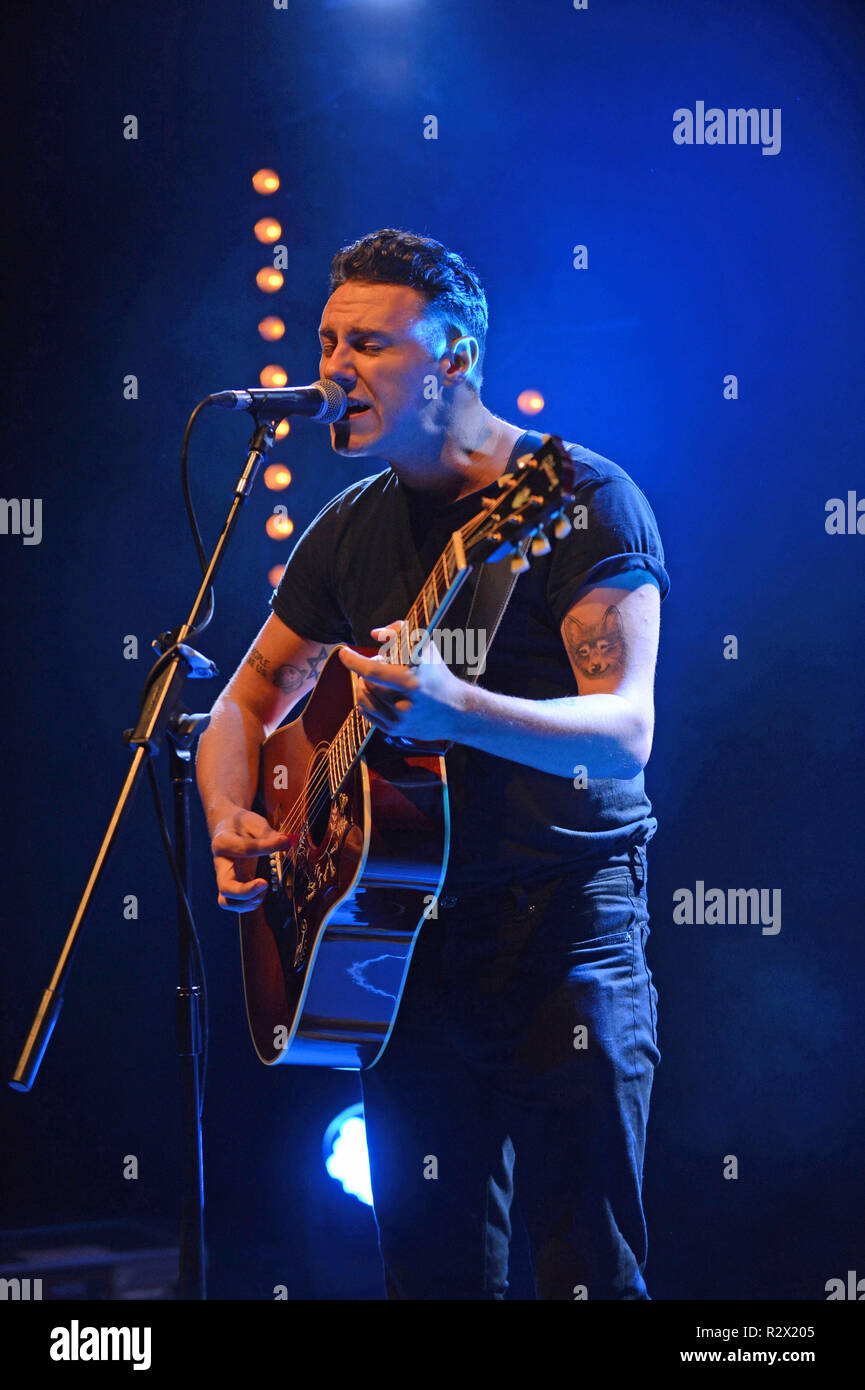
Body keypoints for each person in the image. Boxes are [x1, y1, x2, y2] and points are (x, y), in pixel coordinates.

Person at [195, 227, 669, 1300]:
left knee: (584, 1268)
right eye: (325, 340)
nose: (331, 368)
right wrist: (231, 810)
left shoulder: (577, 498)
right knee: (433, 1278)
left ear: (454, 356)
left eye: (368, 343)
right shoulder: (347, 528)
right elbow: (245, 699)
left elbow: (627, 730)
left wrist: (459, 708)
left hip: (565, 940)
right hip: (403, 953)